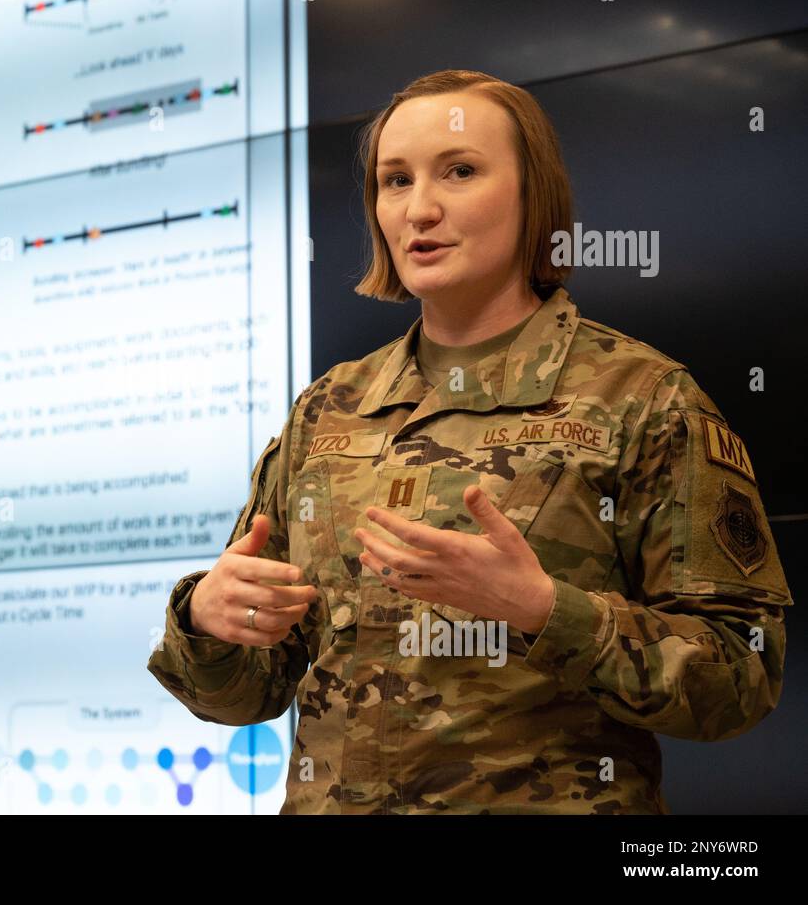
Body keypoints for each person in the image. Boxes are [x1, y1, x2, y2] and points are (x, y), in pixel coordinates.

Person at [146, 69, 792, 814]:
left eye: (459, 171)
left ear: (532, 197)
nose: (419, 208)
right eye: (395, 180)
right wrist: (209, 623)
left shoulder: (644, 400)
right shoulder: (330, 407)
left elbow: (743, 678)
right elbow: (247, 692)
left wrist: (546, 610)